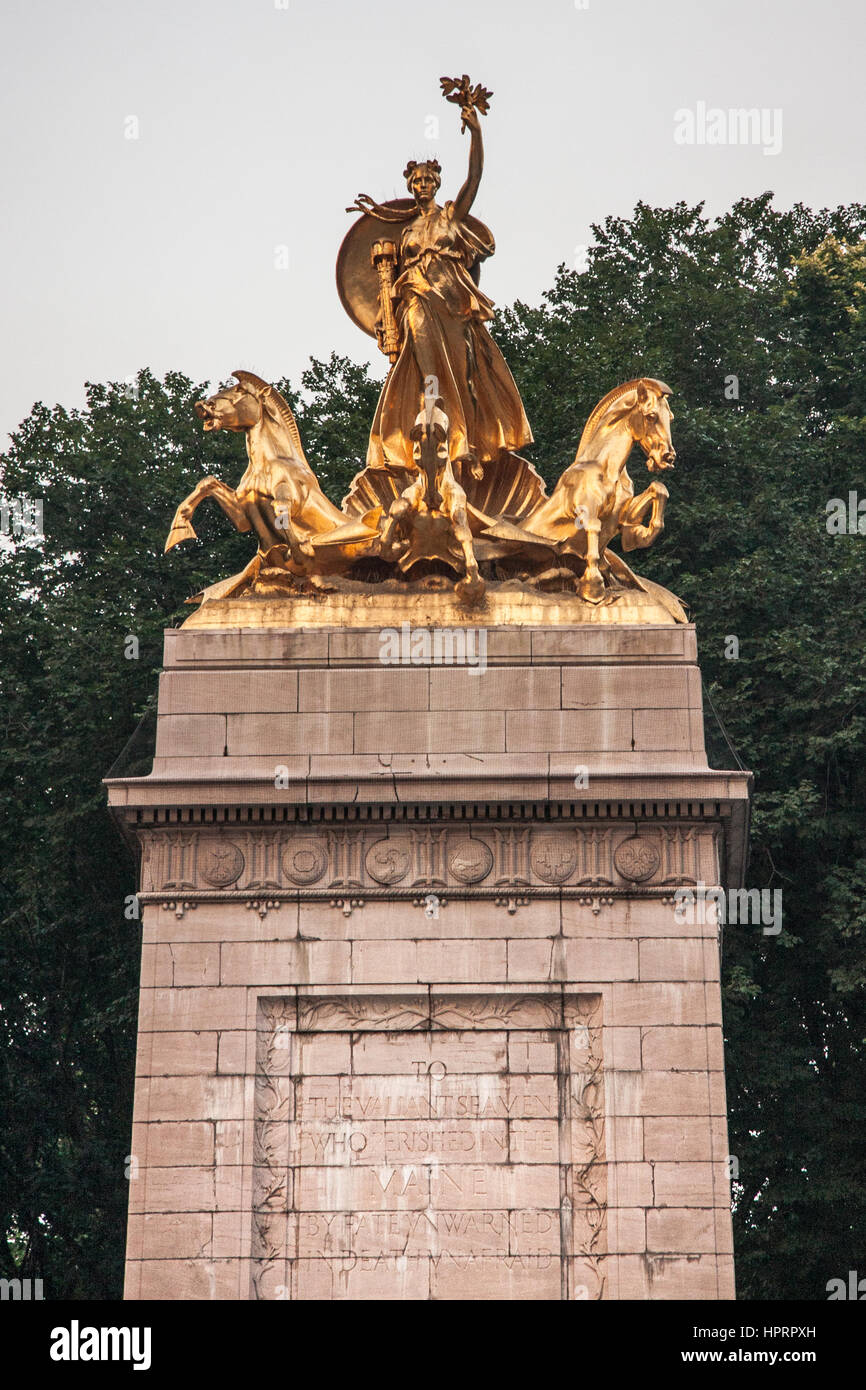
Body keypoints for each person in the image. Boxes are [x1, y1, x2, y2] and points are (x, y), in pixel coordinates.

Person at [348, 106, 533, 479]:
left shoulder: (451, 216)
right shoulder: (408, 232)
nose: (421, 186)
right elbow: (389, 283)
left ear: (436, 183)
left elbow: (475, 178)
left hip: (454, 303)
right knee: (426, 368)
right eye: (416, 181)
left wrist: (476, 132)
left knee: (463, 373)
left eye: (427, 180)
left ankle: (469, 443)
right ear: (410, 186)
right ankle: (432, 438)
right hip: (416, 298)